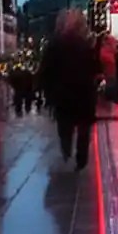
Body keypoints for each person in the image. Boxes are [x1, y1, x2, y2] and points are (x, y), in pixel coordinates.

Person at [39, 10, 102, 169]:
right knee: (83, 126)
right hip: (83, 92)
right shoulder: (85, 44)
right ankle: (81, 158)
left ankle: (67, 150)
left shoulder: (53, 44)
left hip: (63, 93)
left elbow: (45, 70)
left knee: (65, 125)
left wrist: (47, 91)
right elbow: (95, 67)